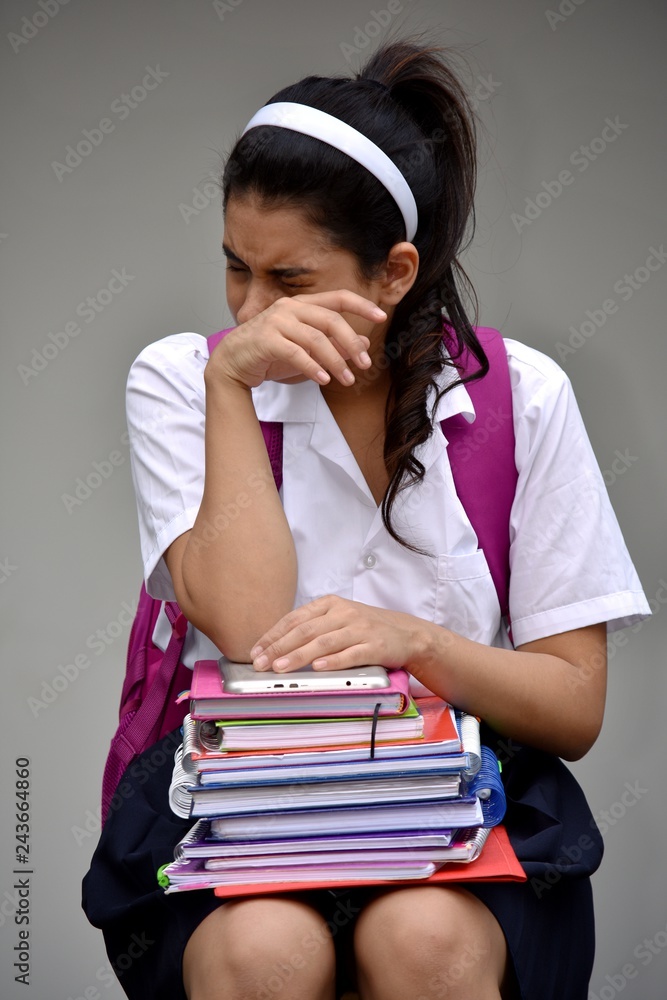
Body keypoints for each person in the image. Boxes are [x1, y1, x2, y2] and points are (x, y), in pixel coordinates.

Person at [82, 37, 650, 1000]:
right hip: (240, 815)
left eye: (290, 281)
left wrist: (411, 641)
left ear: (392, 273)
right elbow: (247, 621)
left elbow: (573, 705)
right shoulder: (181, 380)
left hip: (459, 810)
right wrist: (230, 383)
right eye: (235, 269)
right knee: (266, 951)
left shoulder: (523, 397)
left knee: (425, 938)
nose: (254, 309)